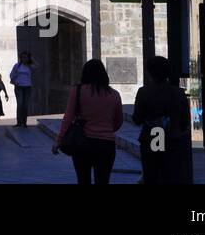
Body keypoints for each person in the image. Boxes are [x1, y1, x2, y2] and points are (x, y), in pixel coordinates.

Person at [53, 59, 123, 184]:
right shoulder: (115, 94)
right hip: (106, 144)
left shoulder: (78, 91)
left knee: (83, 179)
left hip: (82, 143)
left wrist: (59, 140)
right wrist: (106, 129)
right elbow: (118, 122)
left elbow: (68, 118)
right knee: (103, 180)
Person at [132, 55, 191, 184]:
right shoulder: (178, 93)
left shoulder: (144, 92)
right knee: (170, 175)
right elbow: (185, 120)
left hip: (152, 137)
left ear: (150, 72)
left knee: (151, 175)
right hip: (172, 139)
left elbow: (137, 118)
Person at [9, 51, 38, 128]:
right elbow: (11, 74)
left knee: (25, 105)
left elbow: (37, 66)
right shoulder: (17, 66)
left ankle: (24, 122)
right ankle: (19, 122)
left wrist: (32, 58)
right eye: (22, 57)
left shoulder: (30, 66)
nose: (24, 59)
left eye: (25, 57)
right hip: (19, 87)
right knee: (20, 104)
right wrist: (15, 82)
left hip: (27, 87)